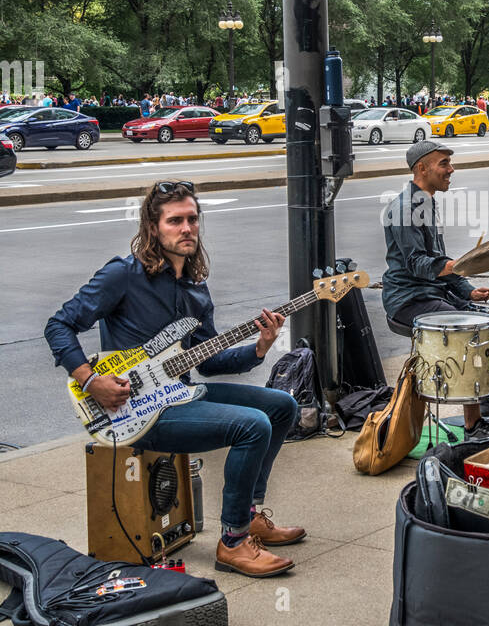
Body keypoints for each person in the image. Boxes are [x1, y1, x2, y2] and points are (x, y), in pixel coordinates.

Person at [44, 181, 304, 578]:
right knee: (252, 425)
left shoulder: (196, 289)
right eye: (175, 221)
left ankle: (247, 514)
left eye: (192, 220)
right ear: (153, 227)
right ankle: (233, 541)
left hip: (179, 394)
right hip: (136, 412)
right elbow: (59, 324)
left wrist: (260, 346)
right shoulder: (122, 275)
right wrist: (89, 378)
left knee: (281, 405)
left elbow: (211, 362)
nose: (187, 229)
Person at [382, 140, 489, 430]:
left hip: (431, 292)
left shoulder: (424, 202)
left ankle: (486, 409)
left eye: (450, 163)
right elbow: (418, 264)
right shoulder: (405, 208)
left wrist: (468, 290)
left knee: (486, 322)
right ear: (422, 168)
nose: (451, 169)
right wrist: (460, 265)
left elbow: (439, 261)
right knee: (470, 329)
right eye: (443, 163)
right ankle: (474, 423)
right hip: (408, 298)